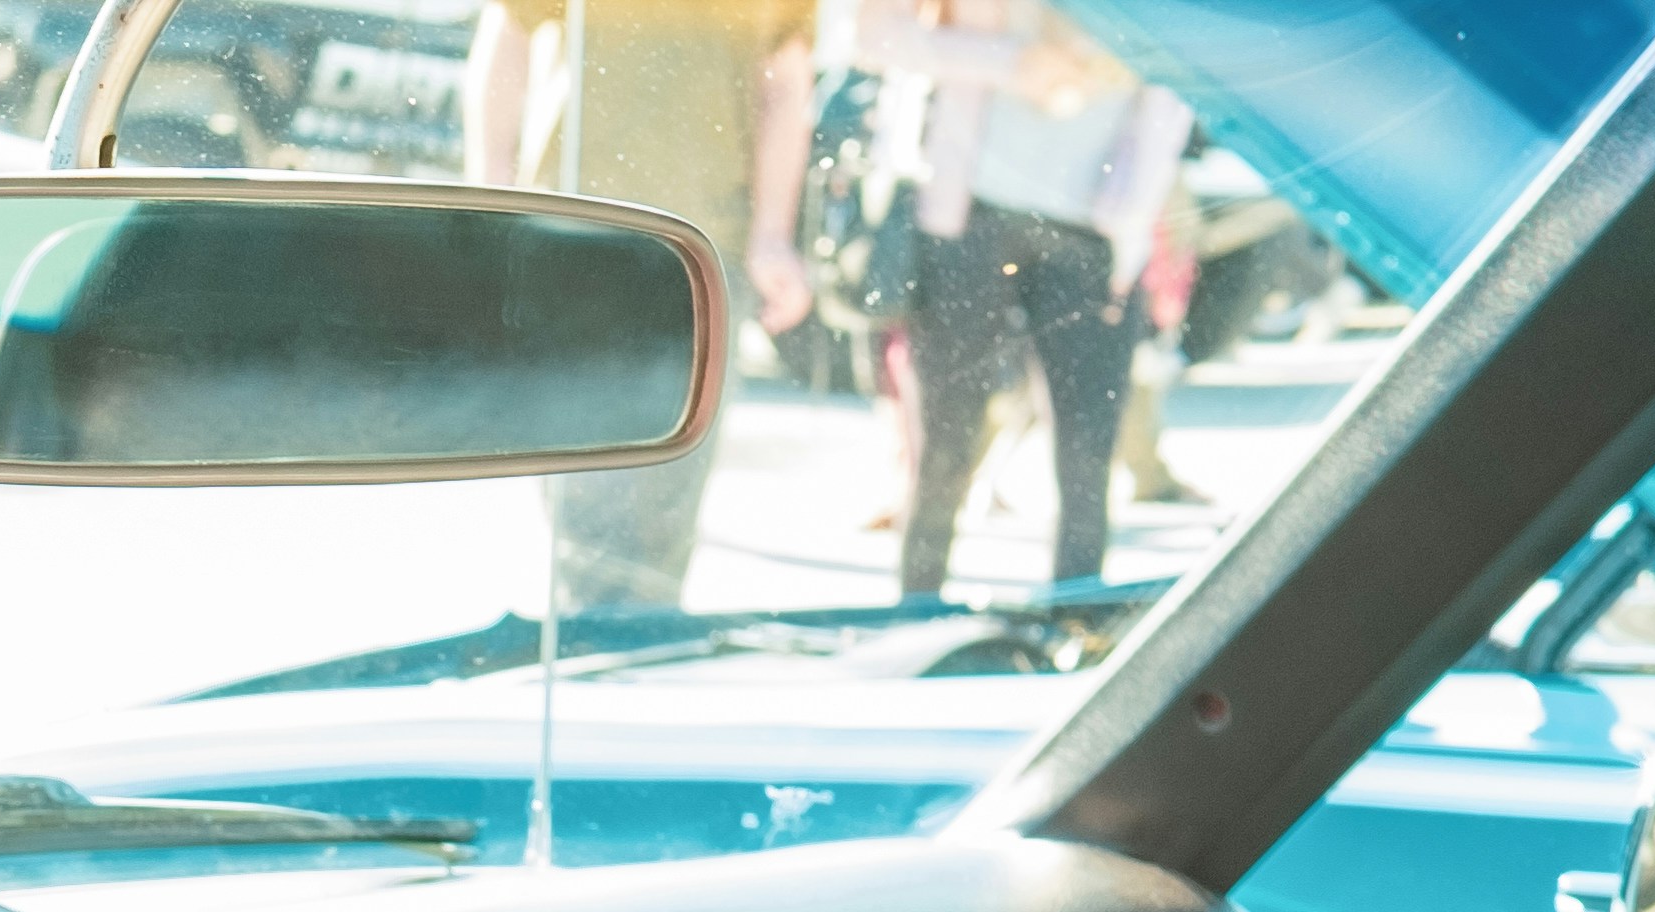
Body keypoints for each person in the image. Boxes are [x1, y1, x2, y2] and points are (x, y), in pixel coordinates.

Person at [480, 0, 825, 618]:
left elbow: (786, 82)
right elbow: (508, 39)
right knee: (584, 479)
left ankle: (643, 636)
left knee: (675, 472)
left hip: (705, 242)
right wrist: (487, 198)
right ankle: (593, 635)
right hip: (573, 230)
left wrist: (773, 233)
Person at [882, 0, 1183, 599]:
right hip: (970, 220)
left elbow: (1189, 76)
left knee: (1087, 449)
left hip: (1094, 233)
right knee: (946, 436)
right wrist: (1012, 62)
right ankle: (917, 606)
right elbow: (879, 36)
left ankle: (1075, 611)